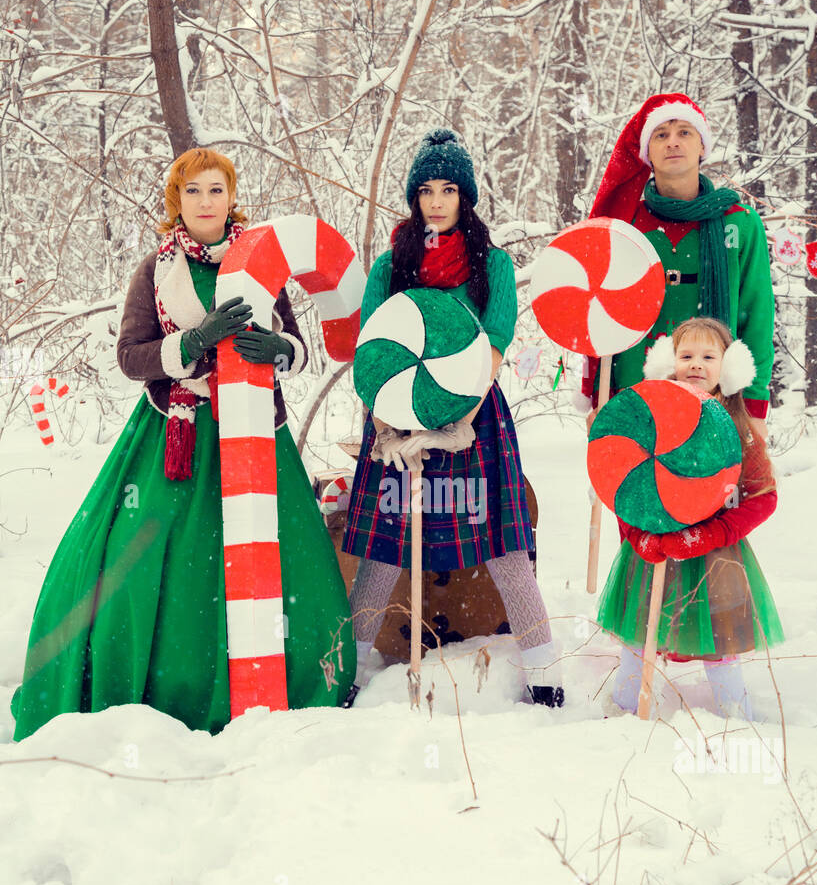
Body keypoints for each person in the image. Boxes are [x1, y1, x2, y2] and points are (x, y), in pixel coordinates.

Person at [11, 147, 355, 740]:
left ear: (232, 196)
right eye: (193, 191)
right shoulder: (155, 270)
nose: (205, 202)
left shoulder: (261, 260)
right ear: (177, 200)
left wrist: (280, 352)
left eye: (216, 190)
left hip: (257, 438)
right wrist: (193, 343)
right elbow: (129, 357)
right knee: (145, 566)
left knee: (281, 558)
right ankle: (161, 692)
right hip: (176, 434)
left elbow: (298, 348)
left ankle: (291, 680)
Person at [342, 127, 563, 706]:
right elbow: (374, 350)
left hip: (475, 422)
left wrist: (453, 417)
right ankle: (351, 679)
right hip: (396, 417)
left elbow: (495, 343)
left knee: (505, 546)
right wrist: (390, 424)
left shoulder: (491, 265)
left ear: (465, 197)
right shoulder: (391, 266)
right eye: (425, 191)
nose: (436, 201)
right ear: (413, 198)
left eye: (448, 189)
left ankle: (545, 678)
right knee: (381, 550)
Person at [596, 316, 784, 719]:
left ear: (728, 366)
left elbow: (762, 497)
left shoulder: (738, 430)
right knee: (638, 637)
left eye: (708, 356)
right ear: (669, 362)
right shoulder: (647, 423)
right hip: (651, 555)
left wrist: (709, 536)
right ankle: (626, 713)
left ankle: (737, 717)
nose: (696, 364)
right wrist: (636, 536)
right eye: (686, 355)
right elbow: (621, 485)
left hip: (715, 559)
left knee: (719, 642)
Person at [577, 93, 775, 441]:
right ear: (646, 153)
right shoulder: (624, 223)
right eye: (661, 135)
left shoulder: (740, 224)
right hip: (632, 393)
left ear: (702, 146)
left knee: (711, 492)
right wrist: (600, 395)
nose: (673, 142)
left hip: (715, 396)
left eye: (684, 132)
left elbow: (756, 316)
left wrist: (754, 404)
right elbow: (595, 314)